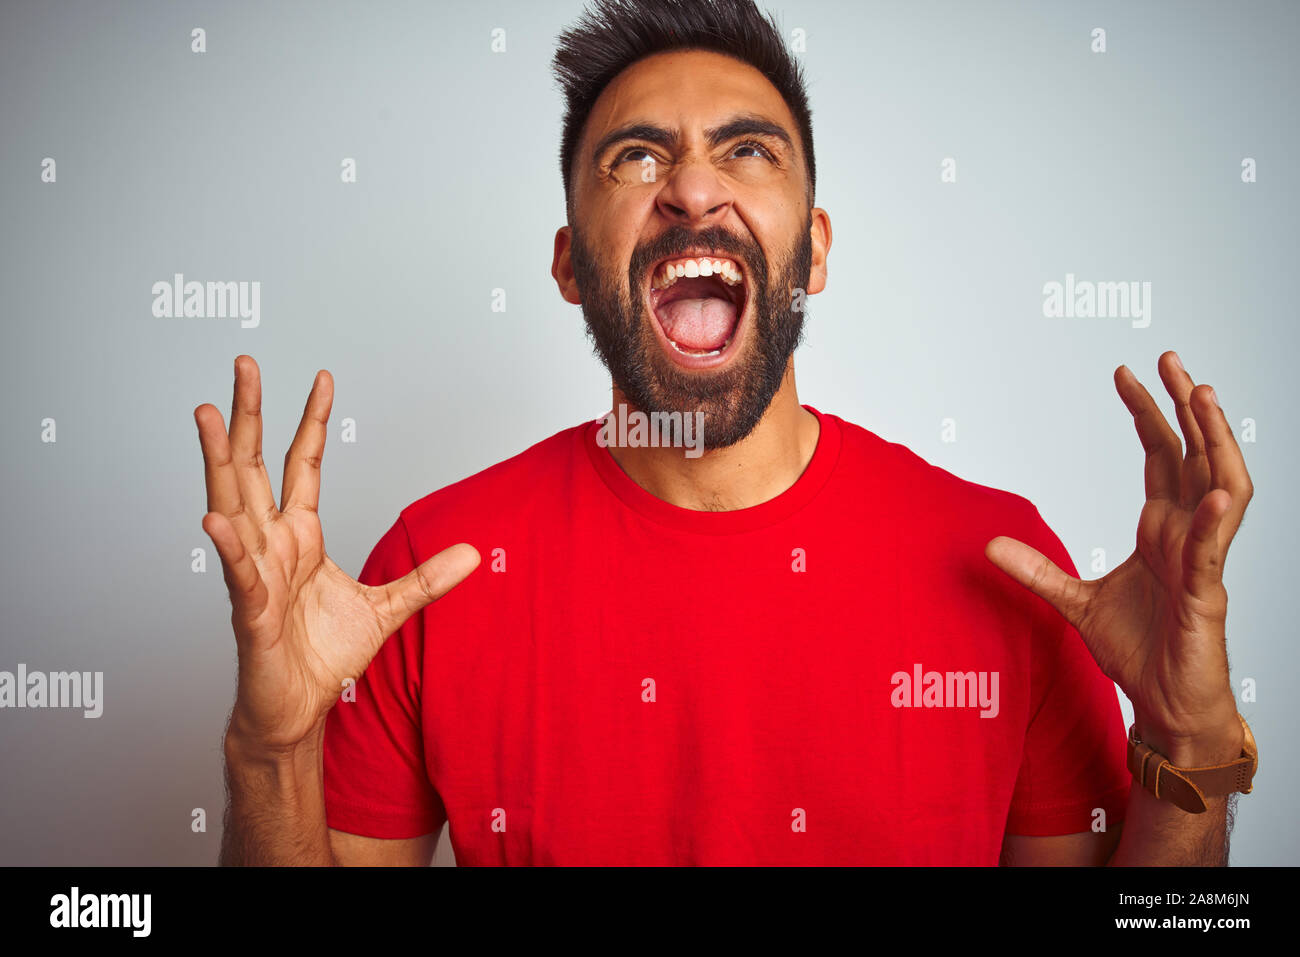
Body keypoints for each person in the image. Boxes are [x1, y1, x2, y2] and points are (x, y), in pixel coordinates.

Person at [198, 0, 1255, 866]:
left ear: (814, 250)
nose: (693, 188)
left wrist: (1189, 739)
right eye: (636, 158)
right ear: (569, 264)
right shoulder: (436, 567)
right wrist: (271, 748)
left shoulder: (1003, 563)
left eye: (747, 151)